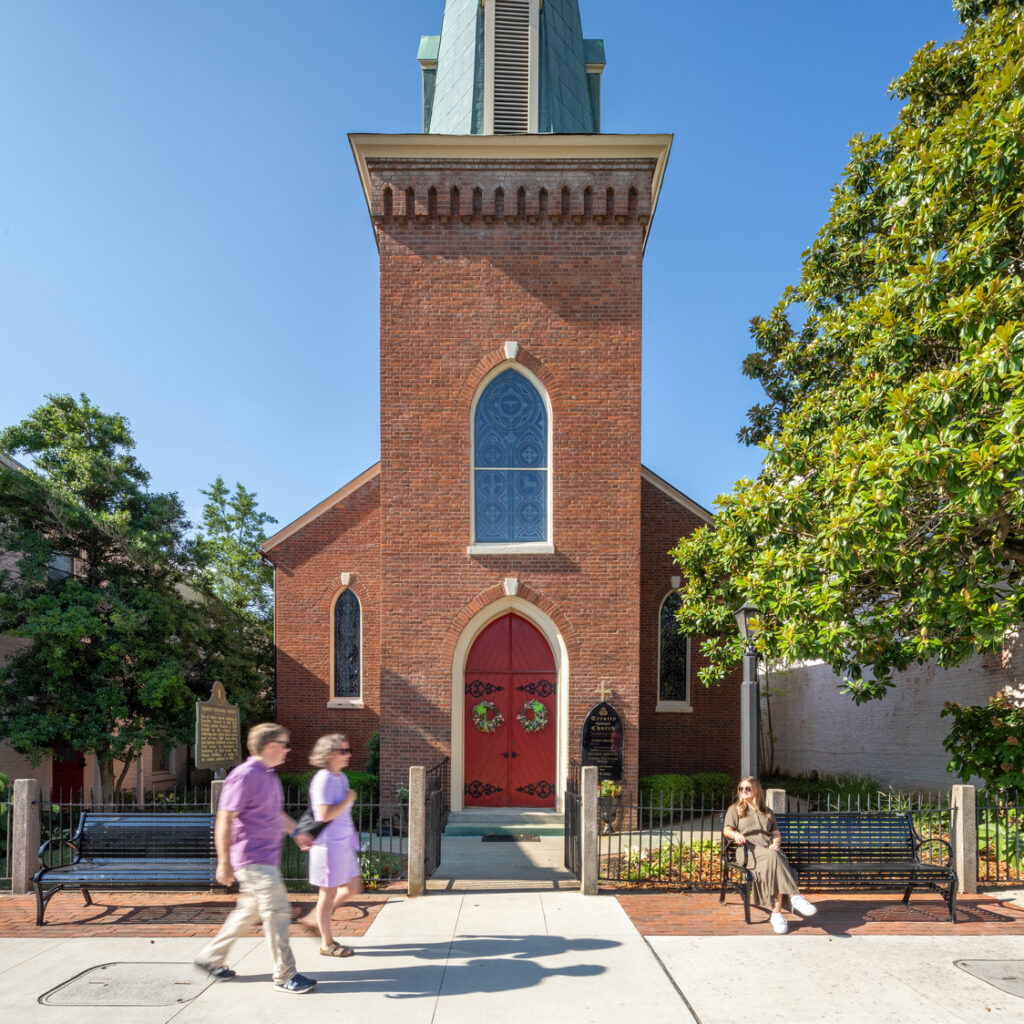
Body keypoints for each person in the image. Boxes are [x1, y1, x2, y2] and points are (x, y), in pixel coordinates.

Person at [194, 723, 317, 994]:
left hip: (265, 858)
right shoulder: (244, 775)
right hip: (252, 859)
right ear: (270, 746)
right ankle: (285, 974)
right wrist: (224, 862)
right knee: (278, 912)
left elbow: (274, 814)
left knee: (247, 912)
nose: (288, 750)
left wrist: (297, 832)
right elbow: (225, 818)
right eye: (285, 744)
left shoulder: (269, 775)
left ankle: (210, 958)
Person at [296, 732, 364, 956]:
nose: (348, 754)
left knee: (353, 887)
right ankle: (327, 943)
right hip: (327, 845)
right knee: (328, 893)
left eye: (348, 750)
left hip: (343, 843)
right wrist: (348, 798)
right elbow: (324, 814)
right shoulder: (323, 779)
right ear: (330, 754)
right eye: (343, 751)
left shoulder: (341, 777)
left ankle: (313, 919)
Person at [722, 776, 817, 934]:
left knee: (775, 859)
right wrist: (735, 834)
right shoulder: (735, 809)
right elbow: (727, 829)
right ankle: (794, 897)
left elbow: (776, 832)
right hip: (748, 850)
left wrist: (776, 843)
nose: (744, 791)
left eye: (747, 788)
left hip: (768, 849)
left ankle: (777, 914)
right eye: (741, 788)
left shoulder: (766, 811)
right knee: (774, 858)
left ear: (756, 790)